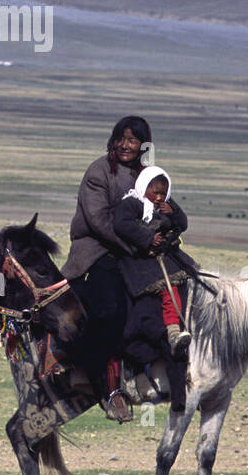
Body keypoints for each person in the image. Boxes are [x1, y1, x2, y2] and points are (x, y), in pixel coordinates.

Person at [62, 116, 154, 422]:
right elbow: (98, 220)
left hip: (133, 250)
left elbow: (157, 209)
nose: (127, 145)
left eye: (133, 140)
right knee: (112, 308)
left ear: (144, 145)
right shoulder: (99, 171)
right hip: (96, 249)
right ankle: (94, 374)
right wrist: (135, 245)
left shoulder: (148, 176)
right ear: (113, 140)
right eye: (122, 139)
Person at [113, 166, 198, 390]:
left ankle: (178, 329)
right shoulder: (132, 204)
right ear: (143, 187)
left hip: (166, 256)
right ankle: (170, 331)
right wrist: (147, 238)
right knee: (163, 290)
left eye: (163, 192)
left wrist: (173, 215)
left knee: (183, 284)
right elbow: (122, 225)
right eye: (155, 192)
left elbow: (182, 224)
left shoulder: (166, 205)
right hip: (141, 260)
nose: (159, 197)